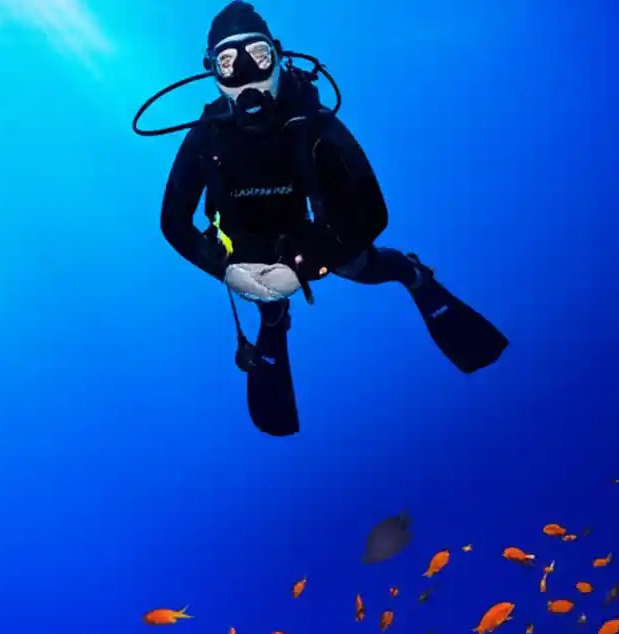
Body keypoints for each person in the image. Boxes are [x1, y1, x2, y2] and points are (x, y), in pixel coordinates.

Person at [152, 0, 508, 437]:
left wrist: (311, 264)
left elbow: (374, 211)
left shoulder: (313, 123)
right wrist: (226, 272)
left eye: (258, 56)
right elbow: (173, 223)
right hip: (251, 247)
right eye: (228, 62)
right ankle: (274, 316)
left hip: (320, 236)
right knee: (266, 297)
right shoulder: (206, 137)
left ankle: (408, 272)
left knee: (360, 267)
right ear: (213, 72)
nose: (246, 72)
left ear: (278, 56)